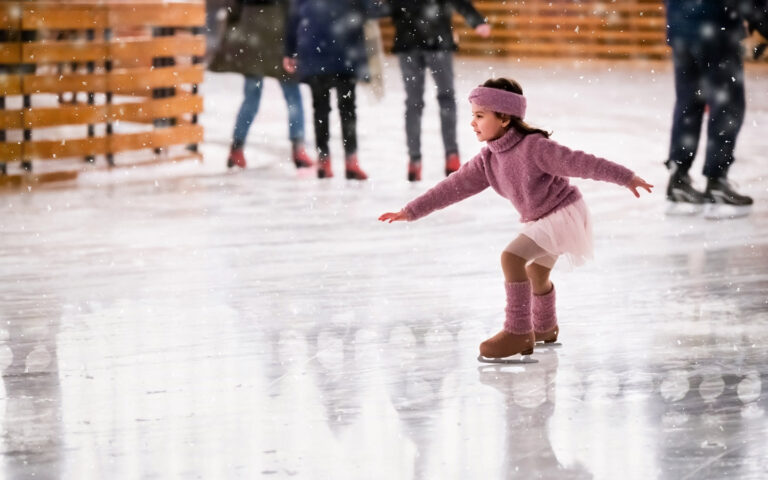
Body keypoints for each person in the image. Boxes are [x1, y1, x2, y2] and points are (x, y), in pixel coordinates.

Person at [379, 78, 653, 361]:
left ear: (505, 118)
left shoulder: (534, 148)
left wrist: (626, 177)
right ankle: (545, 327)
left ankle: (518, 330)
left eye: (480, 116)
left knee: (512, 258)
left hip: (562, 213)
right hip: (543, 217)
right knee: (536, 273)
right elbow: (453, 186)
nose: (473, 123)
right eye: (473, 115)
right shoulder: (488, 160)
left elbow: (582, 162)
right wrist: (411, 210)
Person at [663, 0, 762, 208]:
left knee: (689, 101)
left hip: (681, 28)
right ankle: (716, 179)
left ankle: (679, 176)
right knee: (727, 105)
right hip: (717, 29)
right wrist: (761, 23)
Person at [387, 0, 491, 181]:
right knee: (434, 100)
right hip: (426, 41)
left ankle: (428, 158)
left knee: (422, 101)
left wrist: (476, 20)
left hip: (421, 40)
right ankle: (432, 157)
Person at [283, 0, 386, 180]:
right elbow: (372, 10)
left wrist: (290, 50)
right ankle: (350, 161)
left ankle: (325, 160)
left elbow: (294, 17)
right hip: (343, 50)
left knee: (321, 109)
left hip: (316, 49)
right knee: (347, 109)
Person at [208, 0, 314, 170]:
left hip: (253, 33)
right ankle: (298, 148)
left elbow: (235, 9)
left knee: (251, 96)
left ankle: (236, 149)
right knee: (292, 93)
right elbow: (294, 9)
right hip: (279, 34)